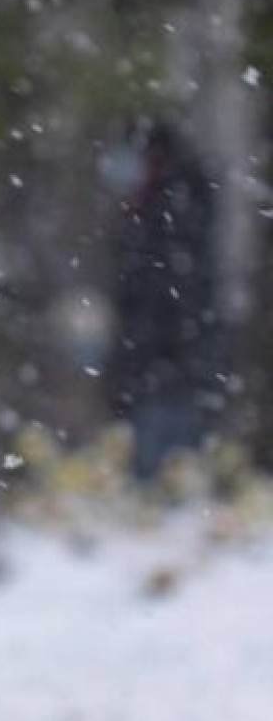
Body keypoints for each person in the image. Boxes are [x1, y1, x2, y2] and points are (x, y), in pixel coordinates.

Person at [102, 121, 226, 481]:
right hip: (161, 368)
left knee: (167, 473)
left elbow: (169, 294)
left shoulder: (173, 208)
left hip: (168, 369)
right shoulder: (157, 205)